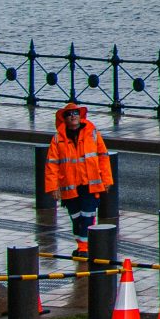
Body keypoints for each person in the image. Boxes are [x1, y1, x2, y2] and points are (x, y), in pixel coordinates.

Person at [43, 102, 113, 258]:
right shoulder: (57, 139)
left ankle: (84, 248)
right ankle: (82, 245)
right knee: (76, 218)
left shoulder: (92, 133)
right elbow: (51, 165)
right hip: (70, 186)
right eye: (69, 114)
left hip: (90, 183)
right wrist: (53, 187)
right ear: (64, 119)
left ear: (80, 116)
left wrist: (107, 180)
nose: (73, 116)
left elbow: (103, 157)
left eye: (75, 113)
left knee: (87, 215)